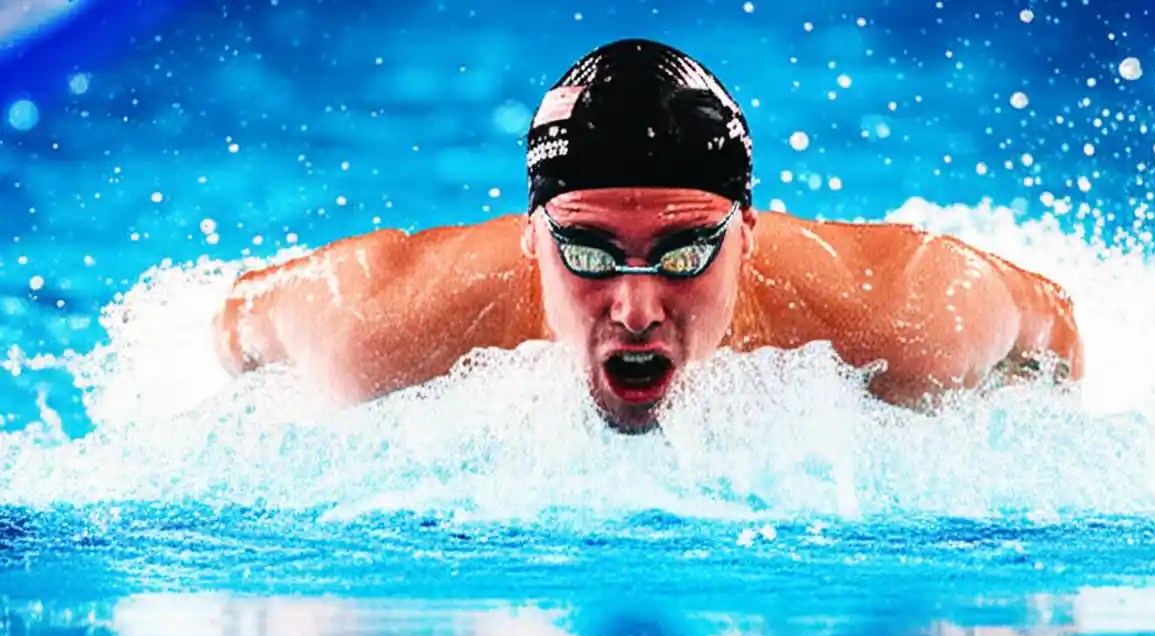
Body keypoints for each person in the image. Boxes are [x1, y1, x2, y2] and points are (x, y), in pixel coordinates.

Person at [211, 38, 1083, 434]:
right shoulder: (378, 323)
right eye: (587, 252)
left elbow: (1056, 325)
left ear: (747, 233)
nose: (634, 308)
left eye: (684, 253)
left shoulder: (905, 316)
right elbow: (232, 322)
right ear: (531, 238)